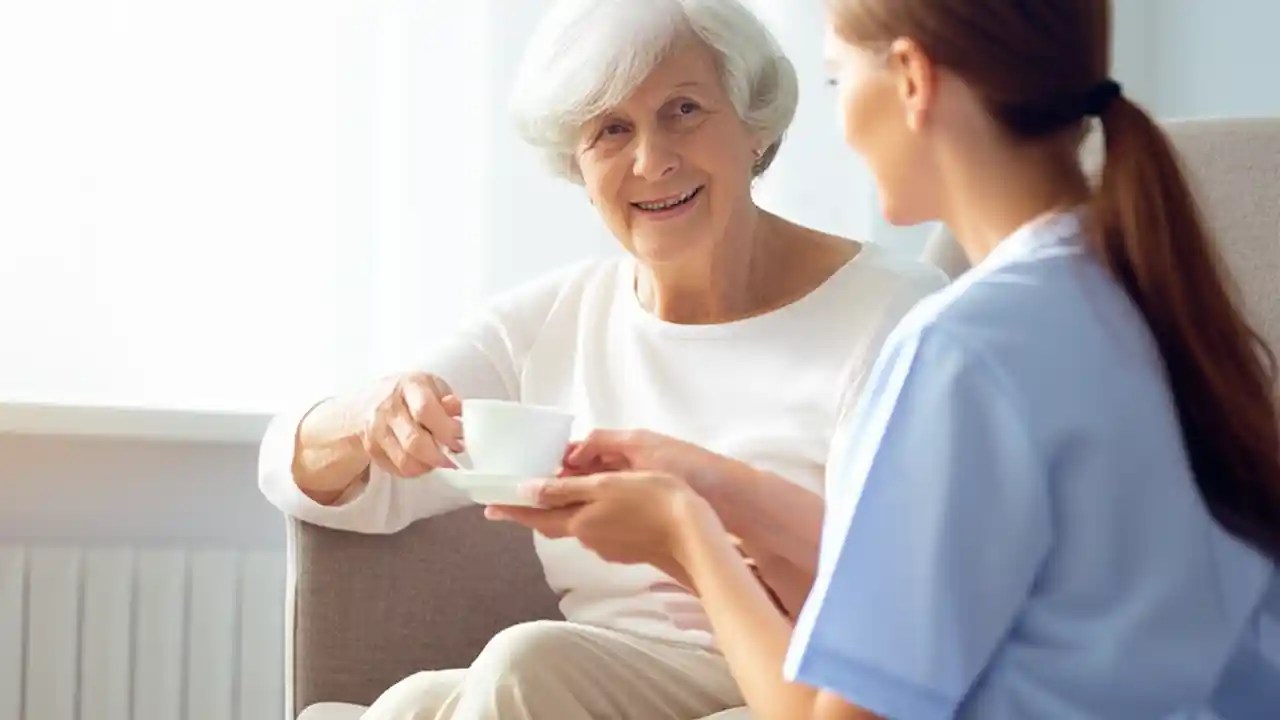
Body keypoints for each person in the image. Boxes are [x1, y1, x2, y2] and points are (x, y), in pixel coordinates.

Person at [492, 0, 1280, 717]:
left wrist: (685, 537)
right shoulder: (1123, 293)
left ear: (911, 79)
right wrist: (717, 488)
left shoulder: (962, 355)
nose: (838, 123)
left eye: (839, 78)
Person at [260, 1, 945, 718]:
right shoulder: (552, 321)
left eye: (684, 109)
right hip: (596, 686)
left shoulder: (891, 312)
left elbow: (905, 595)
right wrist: (371, 416)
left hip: (790, 680)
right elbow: (297, 468)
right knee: (410, 704)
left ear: (755, 125)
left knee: (528, 663)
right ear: (576, 166)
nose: (652, 160)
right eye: (611, 130)